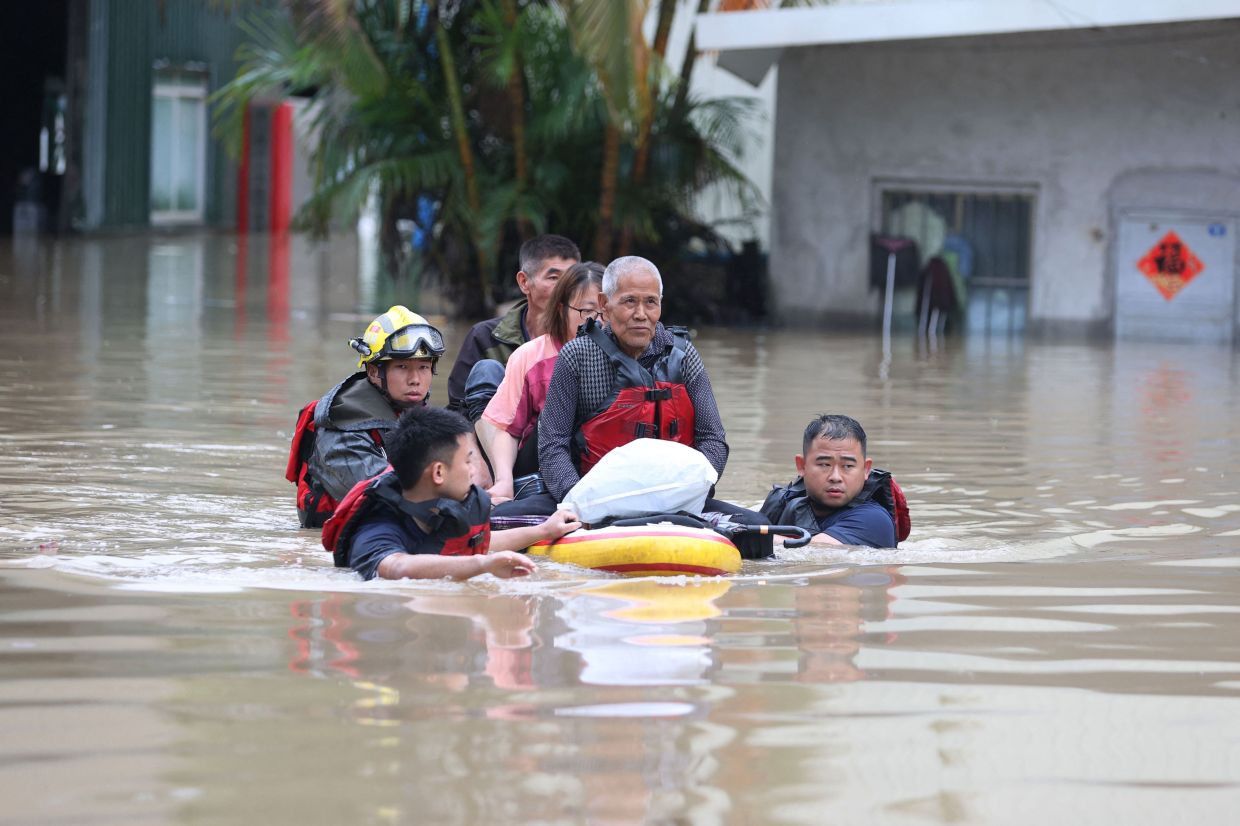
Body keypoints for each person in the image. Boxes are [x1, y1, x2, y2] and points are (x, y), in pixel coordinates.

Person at [322, 406, 581, 581]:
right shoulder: (376, 527)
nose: (474, 472)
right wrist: (482, 565)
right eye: (468, 461)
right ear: (438, 473)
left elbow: (478, 542)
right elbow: (396, 567)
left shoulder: (451, 505)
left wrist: (544, 531)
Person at [286, 305, 445, 528]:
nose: (415, 379)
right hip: (352, 542)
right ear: (373, 371)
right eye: (402, 366)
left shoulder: (418, 417)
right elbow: (385, 495)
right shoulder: (341, 429)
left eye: (423, 367)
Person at [479, 261, 605, 502]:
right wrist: (504, 482)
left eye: (604, 312)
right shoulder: (530, 356)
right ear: (561, 309)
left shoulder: (630, 355)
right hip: (541, 461)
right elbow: (507, 428)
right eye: (587, 312)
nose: (597, 322)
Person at [447, 234, 581, 414]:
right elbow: (457, 411)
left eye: (573, 279)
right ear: (524, 282)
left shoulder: (587, 340)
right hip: (493, 435)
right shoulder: (485, 337)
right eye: (554, 278)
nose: (566, 289)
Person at [760, 414, 906, 548]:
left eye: (848, 466)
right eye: (824, 464)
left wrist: (744, 532)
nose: (835, 477)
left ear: (866, 469)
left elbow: (811, 551)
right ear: (801, 466)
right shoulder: (784, 501)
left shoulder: (874, 520)